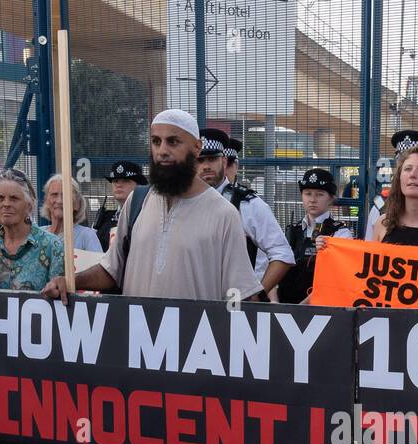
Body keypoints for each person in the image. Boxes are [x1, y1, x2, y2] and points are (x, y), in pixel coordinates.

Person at [40, 110, 260, 303]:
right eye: (156, 141)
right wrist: (69, 282)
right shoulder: (137, 202)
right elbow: (111, 271)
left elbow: (239, 294)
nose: (162, 150)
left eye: (173, 142)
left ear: (196, 148)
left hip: (195, 346)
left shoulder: (224, 214)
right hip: (137, 343)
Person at [198, 127, 294, 301]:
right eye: (199, 160)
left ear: (224, 161)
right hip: (194, 302)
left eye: (212, 159)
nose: (205, 166)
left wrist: (257, 295)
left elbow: (283, 254)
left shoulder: (247, 204)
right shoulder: (184, 203)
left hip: (234, 305)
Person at [276, 167, 353, 304]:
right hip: (284, 307)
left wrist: (301, 307)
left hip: (318, 310)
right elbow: (275, 267)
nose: (312, 199)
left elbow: (338, 279)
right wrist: (274, 303)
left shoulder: (340, 233)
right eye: (308, 193)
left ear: (331, 198)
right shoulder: (292, 230)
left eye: (319, 194)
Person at [0, 169, 64, 292]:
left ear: (29, 206)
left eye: (14, 198)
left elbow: (60, 293)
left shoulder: (52, 246)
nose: (6, 204)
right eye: (0, 198)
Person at [42, 174, 102, 253]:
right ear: (46, 201)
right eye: (54, 195)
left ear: (76, 204)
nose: (59, 200)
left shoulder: (86, 236)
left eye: (65, 195)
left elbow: (98, 263)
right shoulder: (38, 234)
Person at [97, 160, 147, 250]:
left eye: (126, 180)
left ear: (139, 186)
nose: (119, 185)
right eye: (115, 181)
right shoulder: (104, 217)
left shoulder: (146, 216)